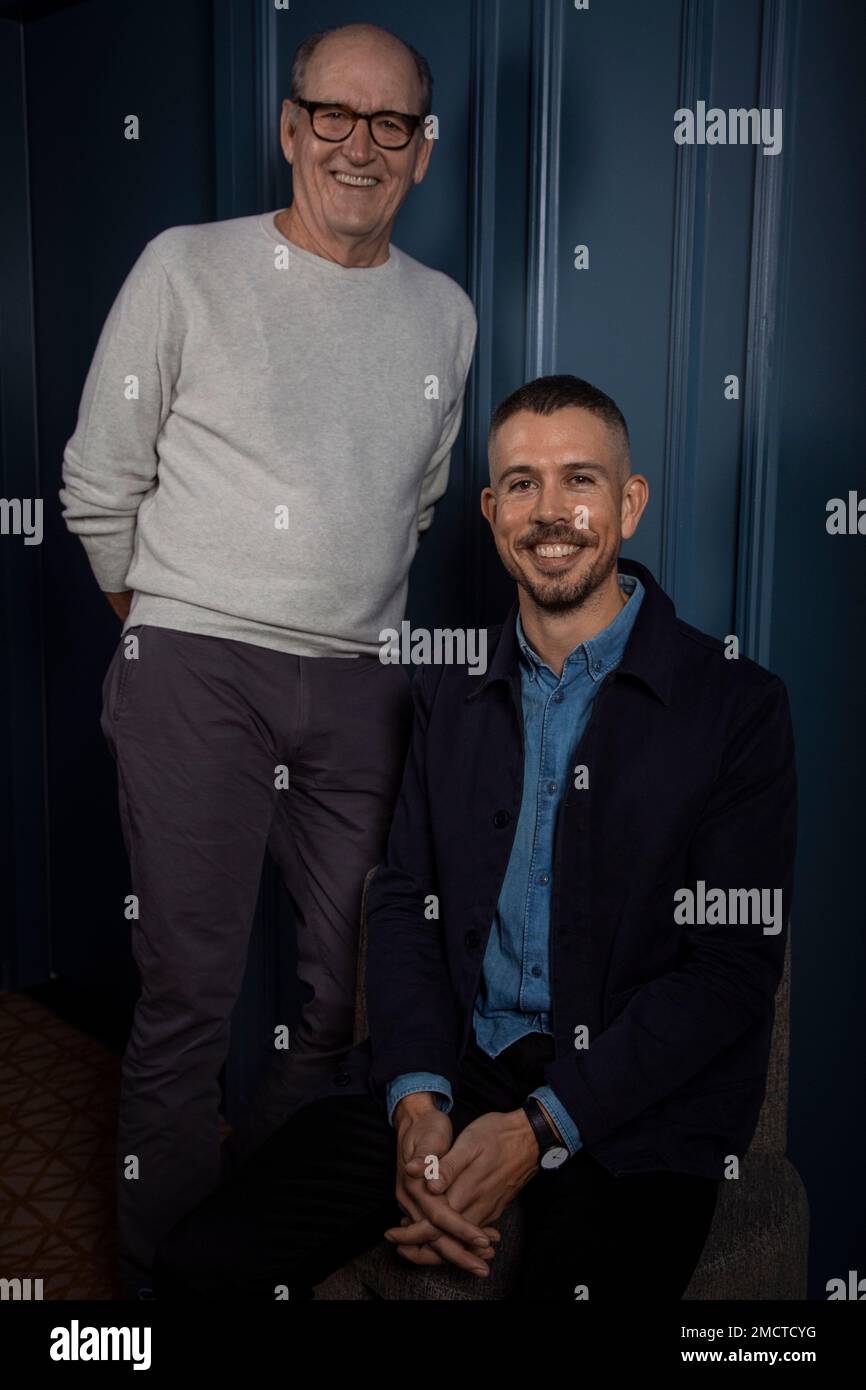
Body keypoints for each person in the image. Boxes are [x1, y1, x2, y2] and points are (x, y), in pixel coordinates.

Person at [151, 374, 798, 1301]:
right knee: (196, 1267)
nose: (552, 512)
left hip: (633, 1103)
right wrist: (416, 1100)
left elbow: (730, 971)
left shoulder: (736, 706)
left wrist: (538, 1128)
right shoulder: (448, 696)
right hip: (458, 1058)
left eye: (580, 478)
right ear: (493, 512)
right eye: (522, 485)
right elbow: (405, 903)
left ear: (630, 502)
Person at [58, 22, 477, 1298]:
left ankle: (251, 1239)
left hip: (361, 680)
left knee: (350, 991)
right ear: (289, 129)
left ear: (421, 150)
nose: (359, 146)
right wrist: (171, 623)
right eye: (333, 118)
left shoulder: (443, 313)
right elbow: (97, 485)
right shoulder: (185, 269)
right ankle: (164, 1278)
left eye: (389, 124)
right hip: (195, 662)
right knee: (189, 991)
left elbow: (413, 502)